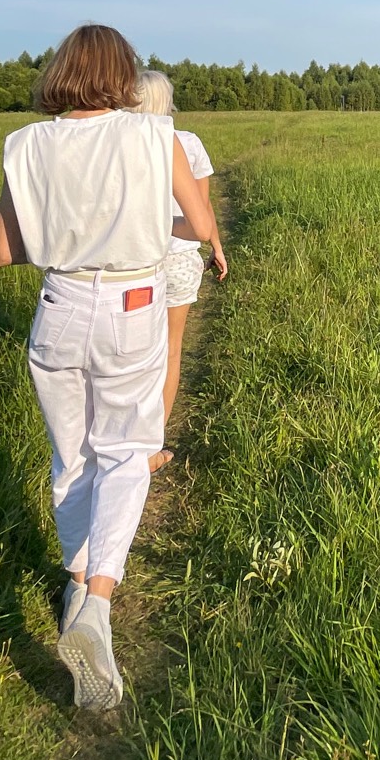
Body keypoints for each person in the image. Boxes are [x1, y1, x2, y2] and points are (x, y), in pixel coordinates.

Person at [0, 24, 214, 710]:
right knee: (127, 450)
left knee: (72, 457)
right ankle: (98, 605)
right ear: (123, 74)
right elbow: (201, 224)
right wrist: (141, 227)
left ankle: (74, 582)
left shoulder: (26, 144)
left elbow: (4, 251)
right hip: (132, 304)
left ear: (61, 72)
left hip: (58, 304)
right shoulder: (158, 136)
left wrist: (72, 236)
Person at [131, 69, 227, 471]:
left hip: (134, 262)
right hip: (182, 257)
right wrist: (217, 246)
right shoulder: (187, 143)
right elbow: (201, 210)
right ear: (167, 102)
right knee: (171, 351)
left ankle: (123, 442)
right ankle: (152, 447)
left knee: (134, 354)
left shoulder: (121, 145)